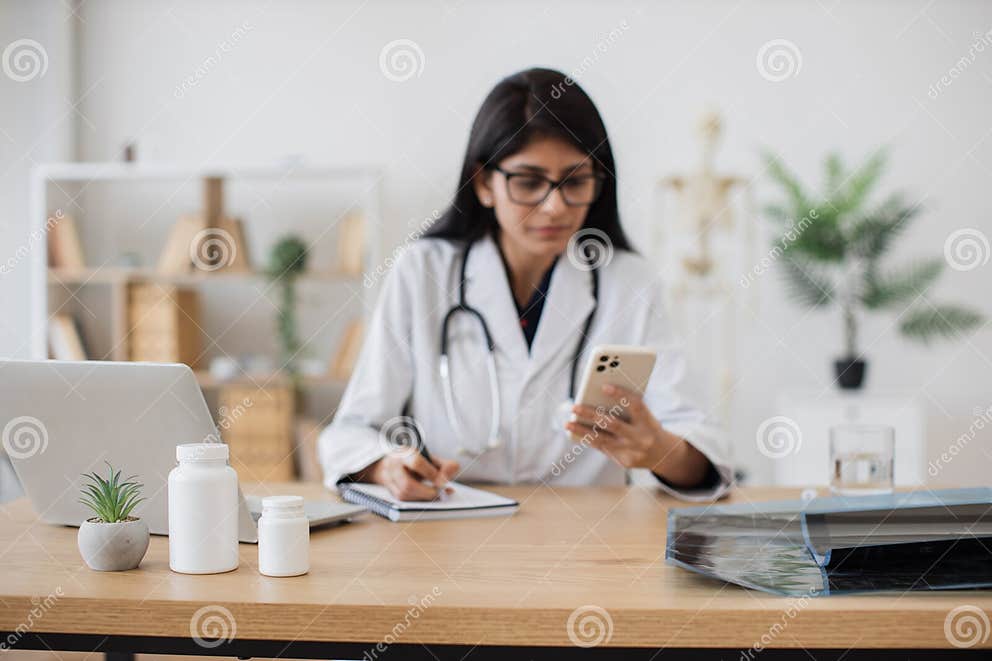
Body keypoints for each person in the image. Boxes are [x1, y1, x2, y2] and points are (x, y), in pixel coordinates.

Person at [318, 68, 732, 501]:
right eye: (529, 182)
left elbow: (706, 448)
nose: (555, 206)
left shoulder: (629, 281)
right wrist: (387, 466)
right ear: (483, 183)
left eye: (574, 181)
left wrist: (659, 450)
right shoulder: (422, 272)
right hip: (448, 532)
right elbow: (351, 433)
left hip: (591, 548)